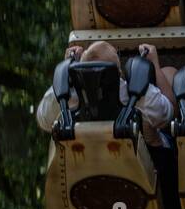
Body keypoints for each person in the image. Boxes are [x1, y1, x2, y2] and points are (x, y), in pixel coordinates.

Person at [36, 40, 177, 147]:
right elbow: (167, 115)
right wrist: (155, 64)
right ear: (119, 72)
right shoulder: (140, 94)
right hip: (134, 164)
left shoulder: (66, 97)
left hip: (85, 160)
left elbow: (43, 120)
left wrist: (66, 72)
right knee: (170, 73)